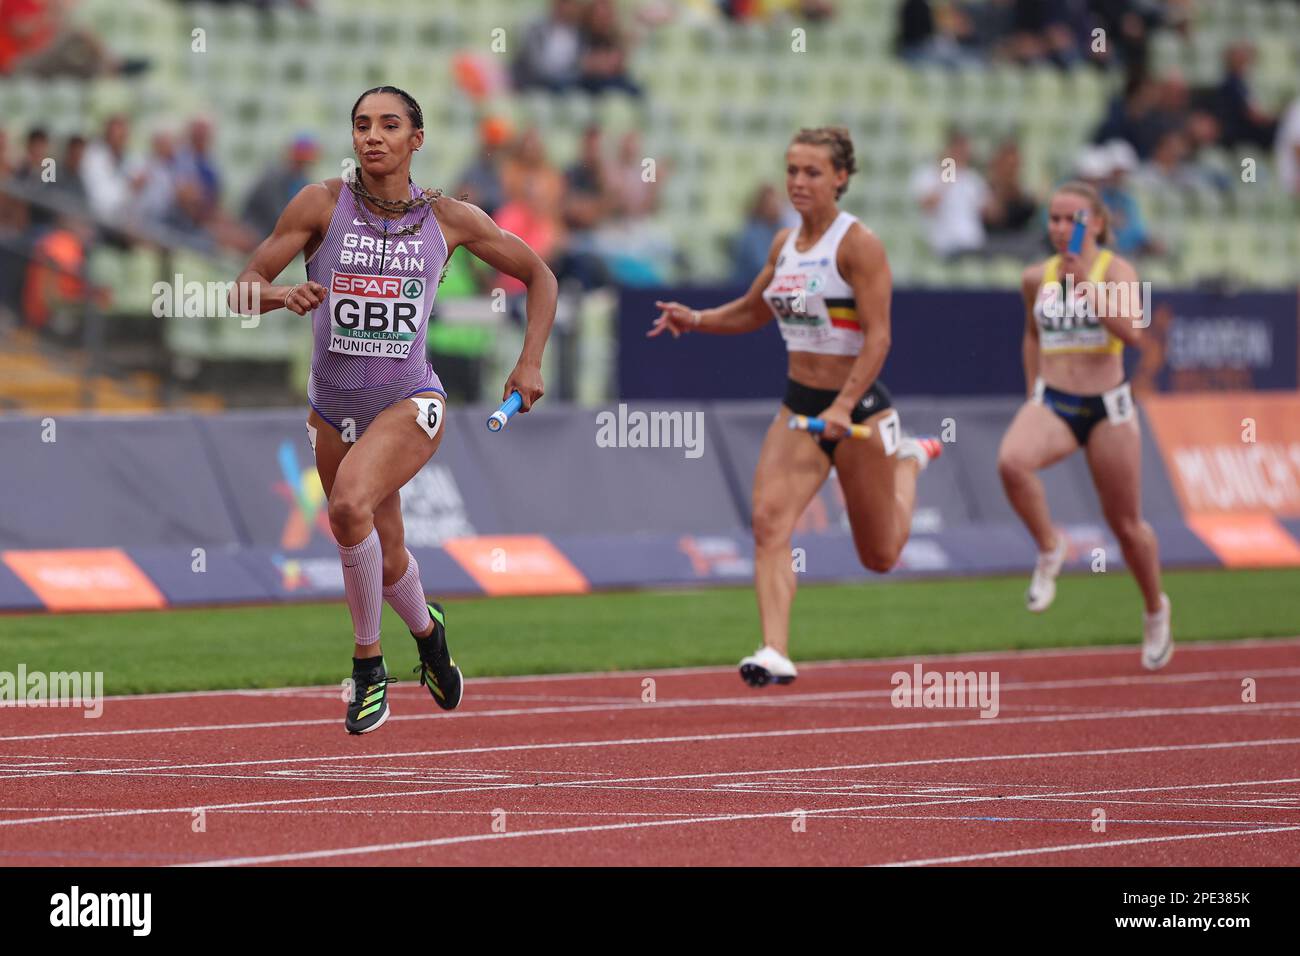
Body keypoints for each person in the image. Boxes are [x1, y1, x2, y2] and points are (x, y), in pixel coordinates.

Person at [231, 86, 558, 734]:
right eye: (360, 125)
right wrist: (281, 297)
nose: (372, 136)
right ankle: (429, 634)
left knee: (348, 507)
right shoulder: (320, 203)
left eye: (388, 125)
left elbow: (540, 275)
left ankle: (367, 665)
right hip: (332, 408)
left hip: (410, 399)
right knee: (387, 554)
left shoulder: (451, 217)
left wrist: (529, 363)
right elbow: (243, 293)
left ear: (417, 139)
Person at [649, 126, 942, 687]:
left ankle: (907, 461)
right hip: (800, 409)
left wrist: (846, 406)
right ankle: (774, 649)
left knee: (879, 555)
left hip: (858, 413)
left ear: (840, 178)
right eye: (791, 170)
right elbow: (754, 310)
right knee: (768, 522)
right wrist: (700, 319)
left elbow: (878, 339)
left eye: (812, 172)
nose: (799, 182)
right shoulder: (784, 245)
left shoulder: (859, 245)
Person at [996, 181, 1172, 671]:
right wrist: (1033, 388)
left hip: (1107, 407)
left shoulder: (1116, 270)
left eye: (1070, 219)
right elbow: (1032, 334)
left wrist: (1087, 289)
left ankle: (1156, 608)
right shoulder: (1036, 277)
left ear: (1095, 223)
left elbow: (1134, 333)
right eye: (1052, 219)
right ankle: (1050, 546)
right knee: (1012, 462)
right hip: (1055, 400)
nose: (1059, 228)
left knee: (1126, 525)